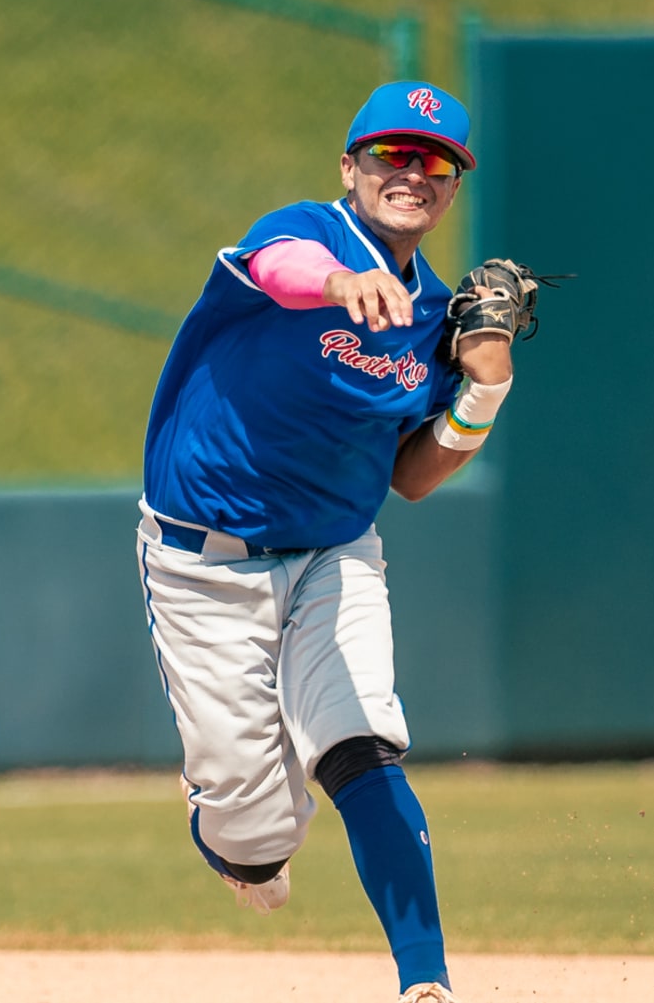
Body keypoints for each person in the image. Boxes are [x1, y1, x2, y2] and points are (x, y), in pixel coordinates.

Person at [137, 80, 518, 1003]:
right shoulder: (306, 233)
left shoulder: (434, 316)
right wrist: (343, 283)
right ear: (349, 168)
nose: (412, 173)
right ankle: (242, 846)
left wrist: (482, 393)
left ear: (452, 189)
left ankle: (424, 982)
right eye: (391, 154)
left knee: (361, 741)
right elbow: (279, 270)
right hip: (204, 561)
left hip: (333, 555)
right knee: (256, 831)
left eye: (436, 162)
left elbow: (413, 474)